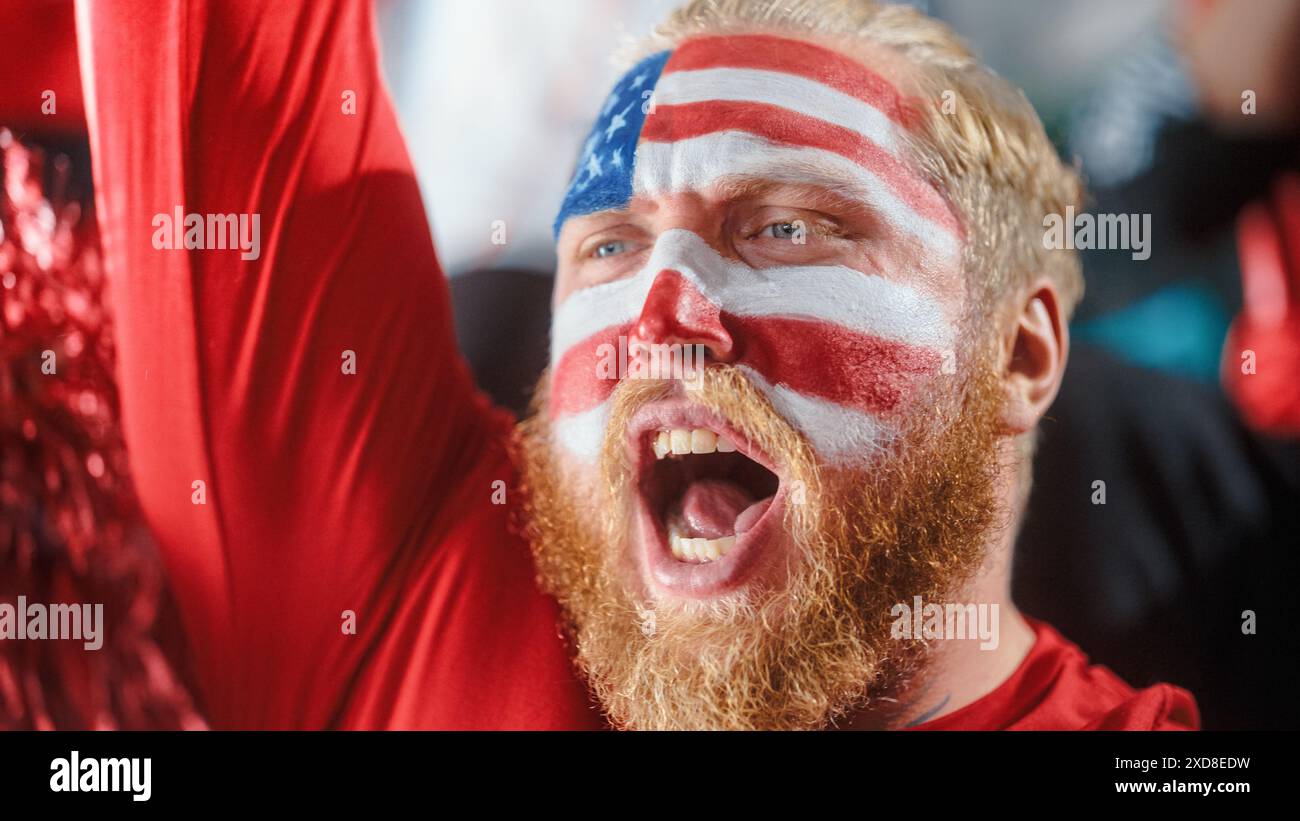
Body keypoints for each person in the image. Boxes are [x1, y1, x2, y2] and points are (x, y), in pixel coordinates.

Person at [78, 0, 1197, 730]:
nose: (657, 312)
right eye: (608, 245)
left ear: (1018, 349)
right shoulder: (400, 600)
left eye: (784, 228)